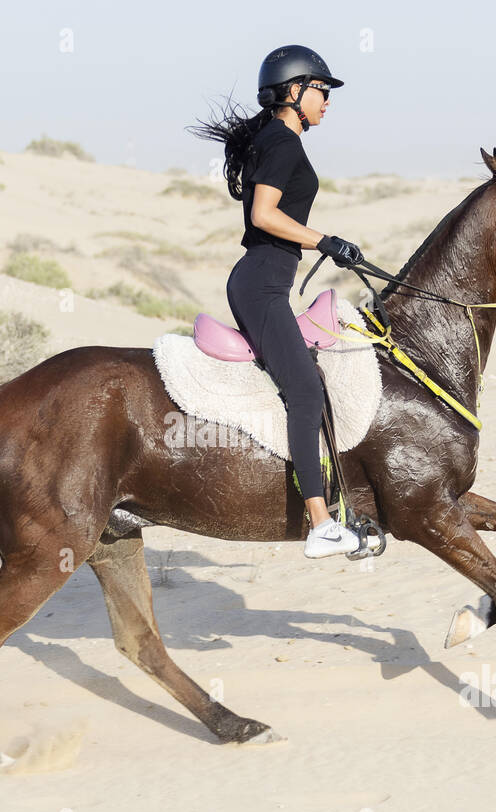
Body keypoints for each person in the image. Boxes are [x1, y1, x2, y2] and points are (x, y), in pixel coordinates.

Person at [187, 44, 366, 559]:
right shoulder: (283, 142)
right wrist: (323, 240)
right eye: (320, 90)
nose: (327, 100)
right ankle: (320, 523)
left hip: (266, 280)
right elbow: (264, 215)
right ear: (293, 92)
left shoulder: (276, 138)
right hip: (262, 283)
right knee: (306, 393)